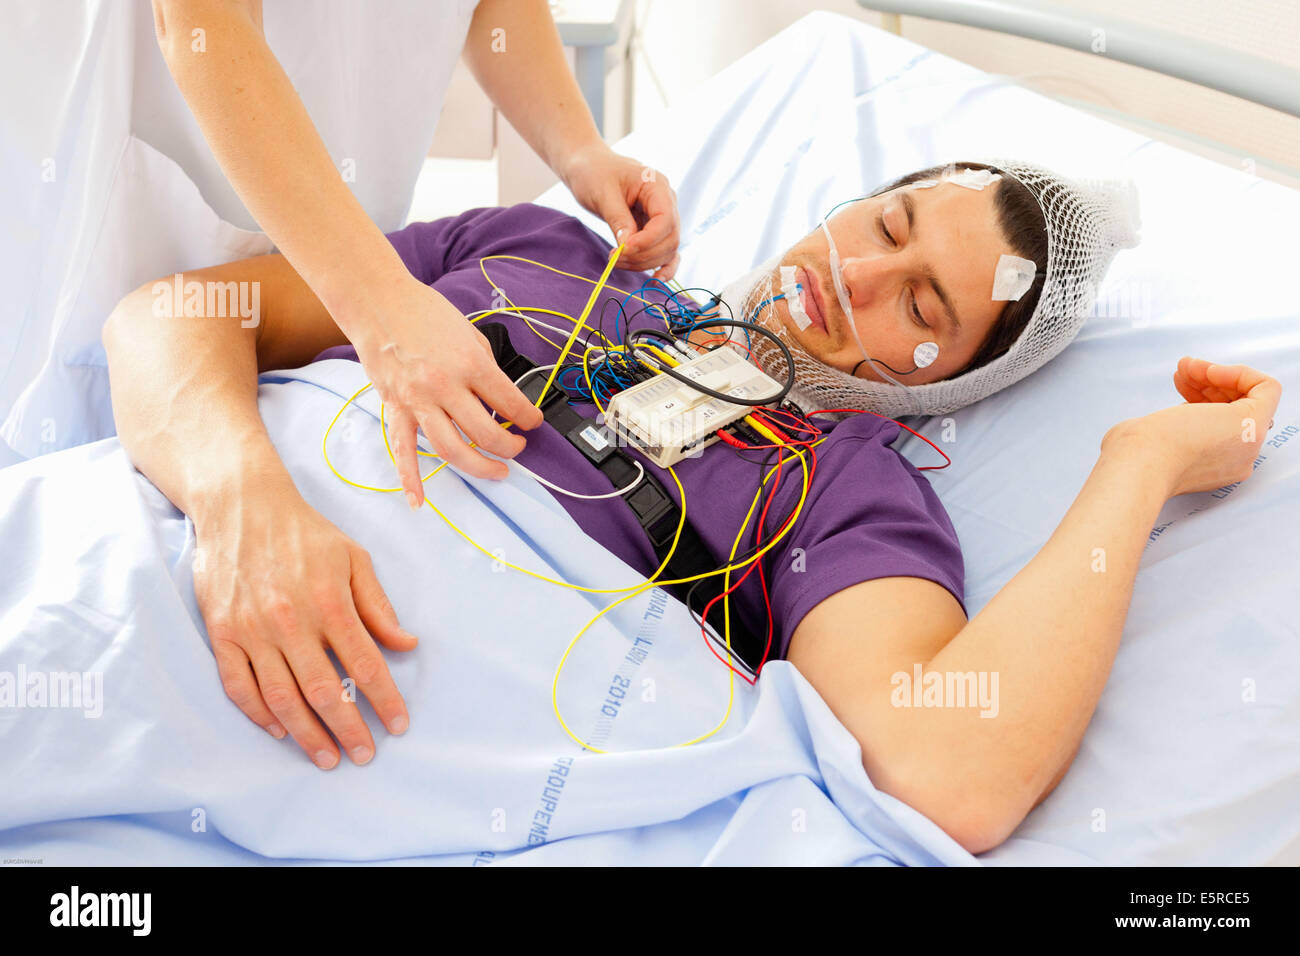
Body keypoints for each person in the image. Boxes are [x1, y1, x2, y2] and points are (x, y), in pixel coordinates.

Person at [102, 160, 1280, 854]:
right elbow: (178, 315)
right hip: (134, 547)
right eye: (885, 226)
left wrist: (1139, 461)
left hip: (288, 727)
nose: (858, 276)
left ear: (946, 382)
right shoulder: (544, 249)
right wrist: (239, 501)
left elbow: (947, 768)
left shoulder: (839, 490)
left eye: (921, 303)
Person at [151, 0, 681, 506]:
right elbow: (202, 23)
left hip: (356, 263)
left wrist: (581, 151)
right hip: (175, 221)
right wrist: (381, 301)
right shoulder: (517, 244)